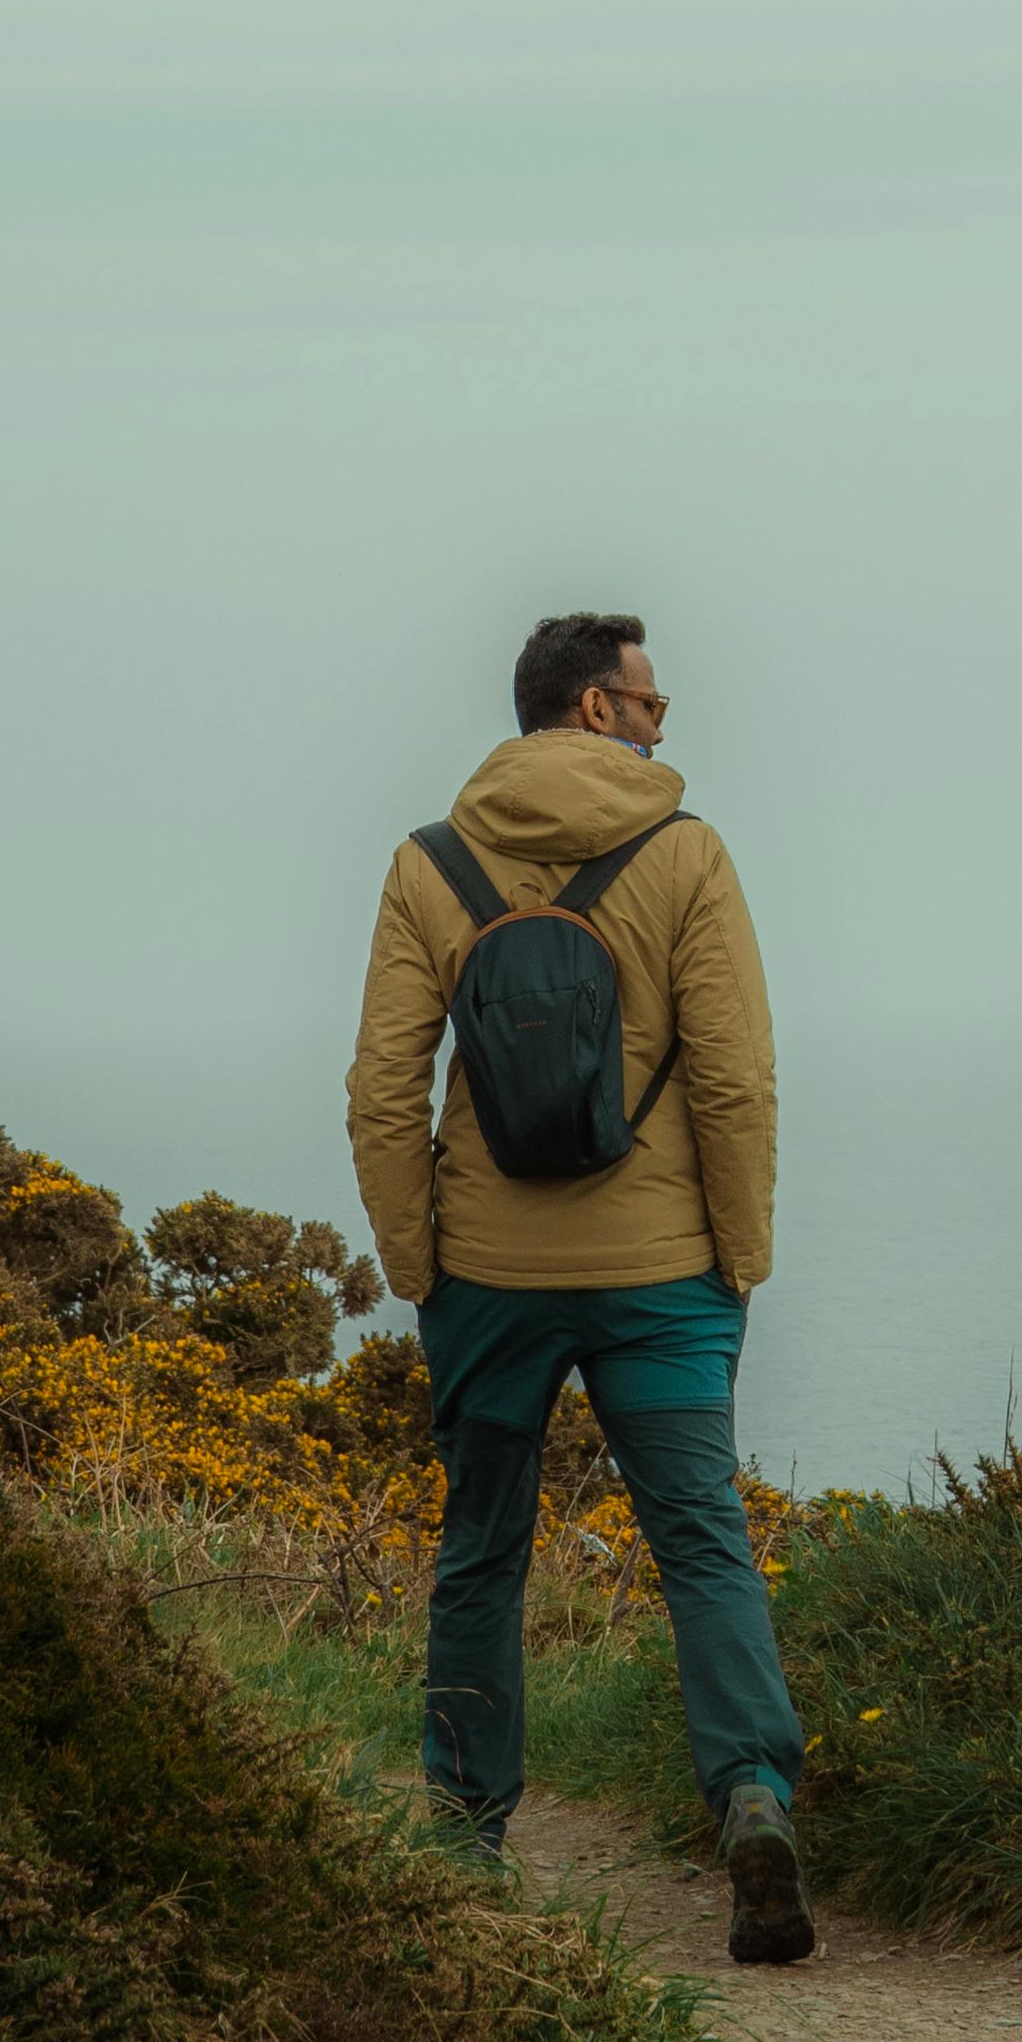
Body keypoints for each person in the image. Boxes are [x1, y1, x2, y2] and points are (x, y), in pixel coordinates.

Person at [343, 607, 814, 1967]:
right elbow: (733, 1078)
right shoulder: (686, 856)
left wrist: (417, 1261)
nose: (665, 724)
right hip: (663, 1270)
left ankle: (463, 1838)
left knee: (483, 1546)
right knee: (702, 1544)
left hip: (486, 1275)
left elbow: (384, 1086)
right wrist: (741, 1254)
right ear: (595, 709)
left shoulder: (430, 865)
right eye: (650, 704)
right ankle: (750, 1800)